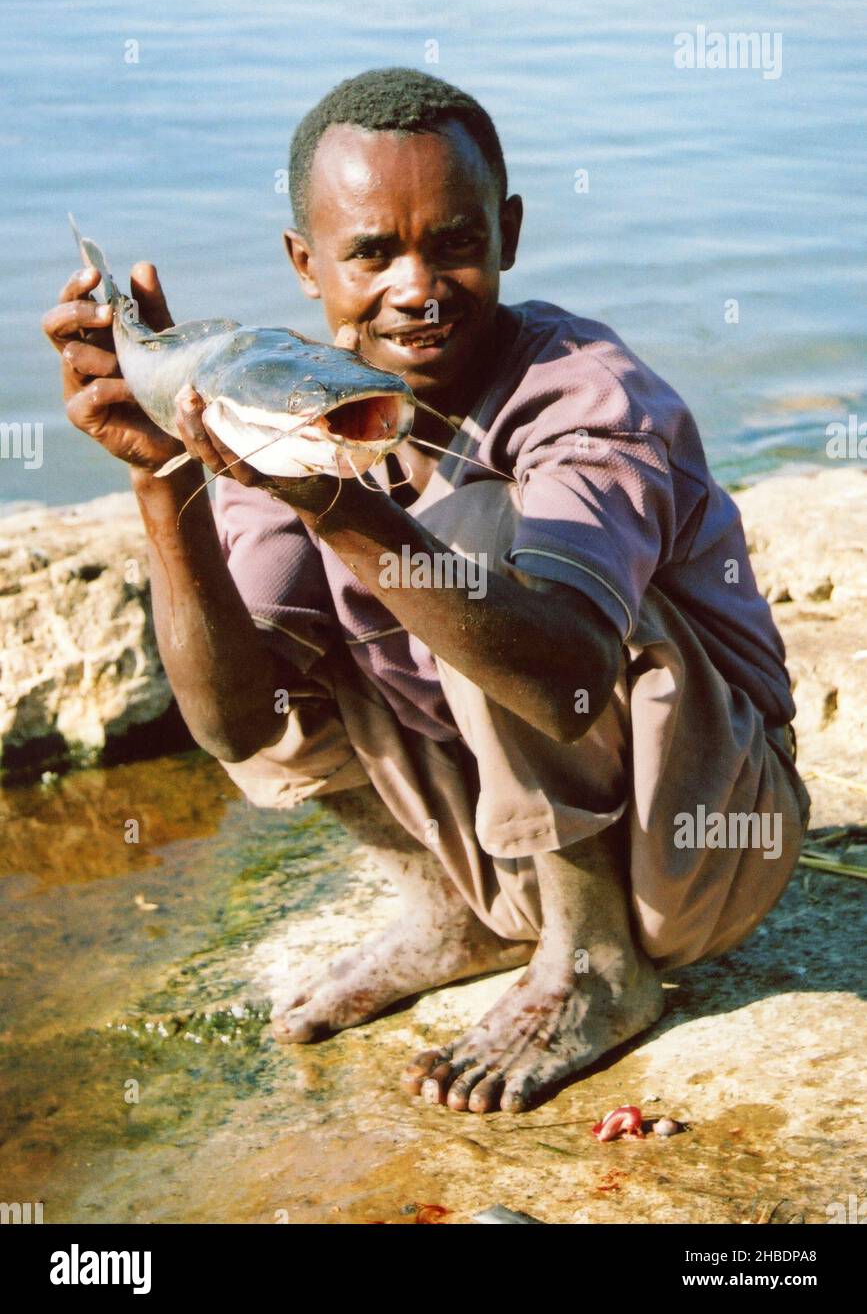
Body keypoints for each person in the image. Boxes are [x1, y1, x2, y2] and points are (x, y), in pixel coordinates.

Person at [43, 67, 810, 1115]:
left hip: (700, 845)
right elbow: (239, 721)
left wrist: (339, 506)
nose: (418, 285)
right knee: (266, 635)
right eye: (371, 252)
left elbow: (572, 678)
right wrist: (165, 479)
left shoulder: (583, 392)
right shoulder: (289, 401)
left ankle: (592, 963)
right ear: (305, 265)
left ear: (510, 234)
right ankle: (461, 904)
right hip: (504, 850)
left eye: (455, 242)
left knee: (464, 535)